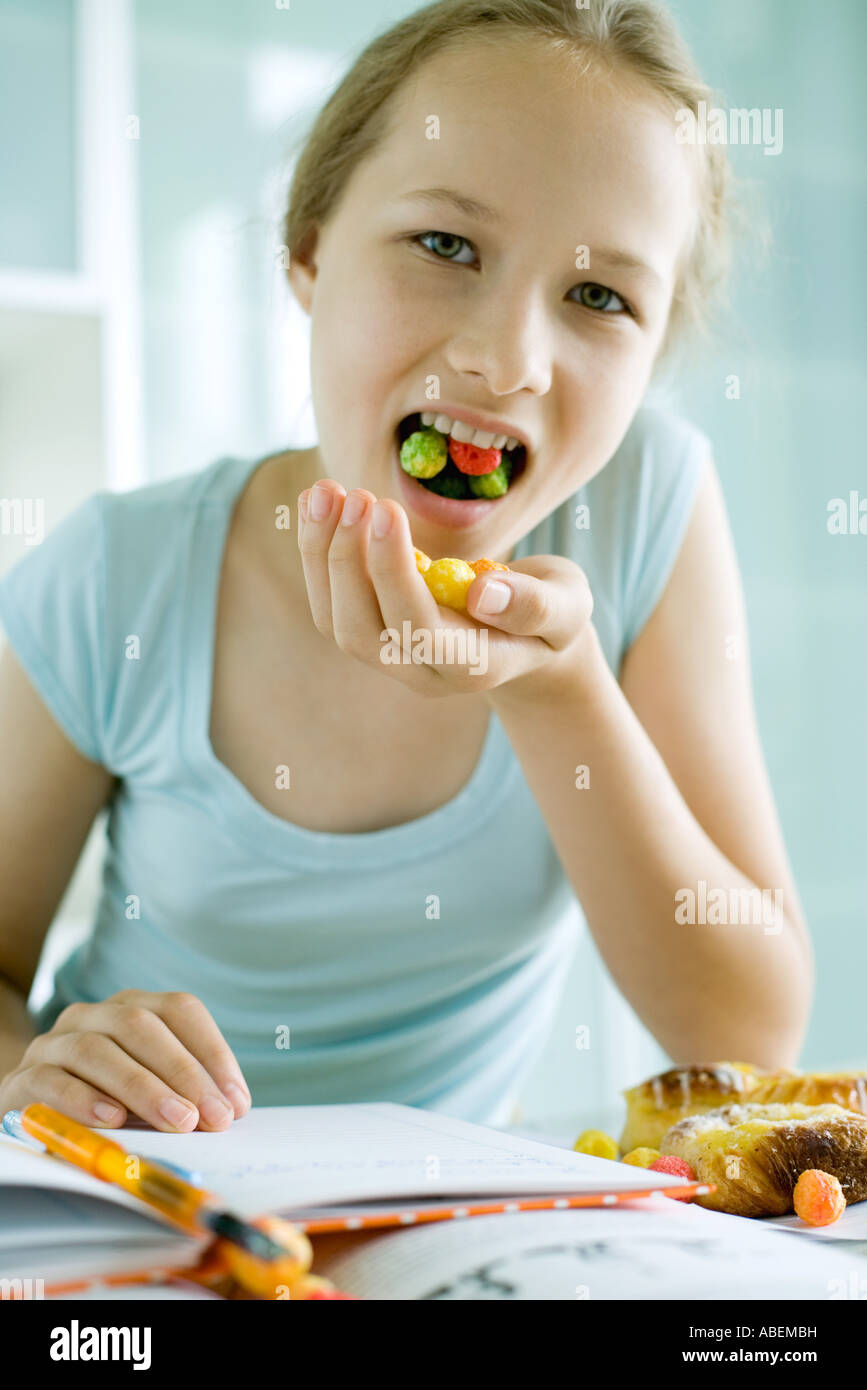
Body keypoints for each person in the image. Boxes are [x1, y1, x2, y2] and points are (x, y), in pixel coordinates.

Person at [0, 0, 813, 1134]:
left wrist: (557, 686)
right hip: (142, 1209)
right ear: (309, 248)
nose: (504, 358)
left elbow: (745, 1037)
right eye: (446, 245)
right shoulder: (117, 574)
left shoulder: (646, 511)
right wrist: (34, 1064)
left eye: (598, 296)